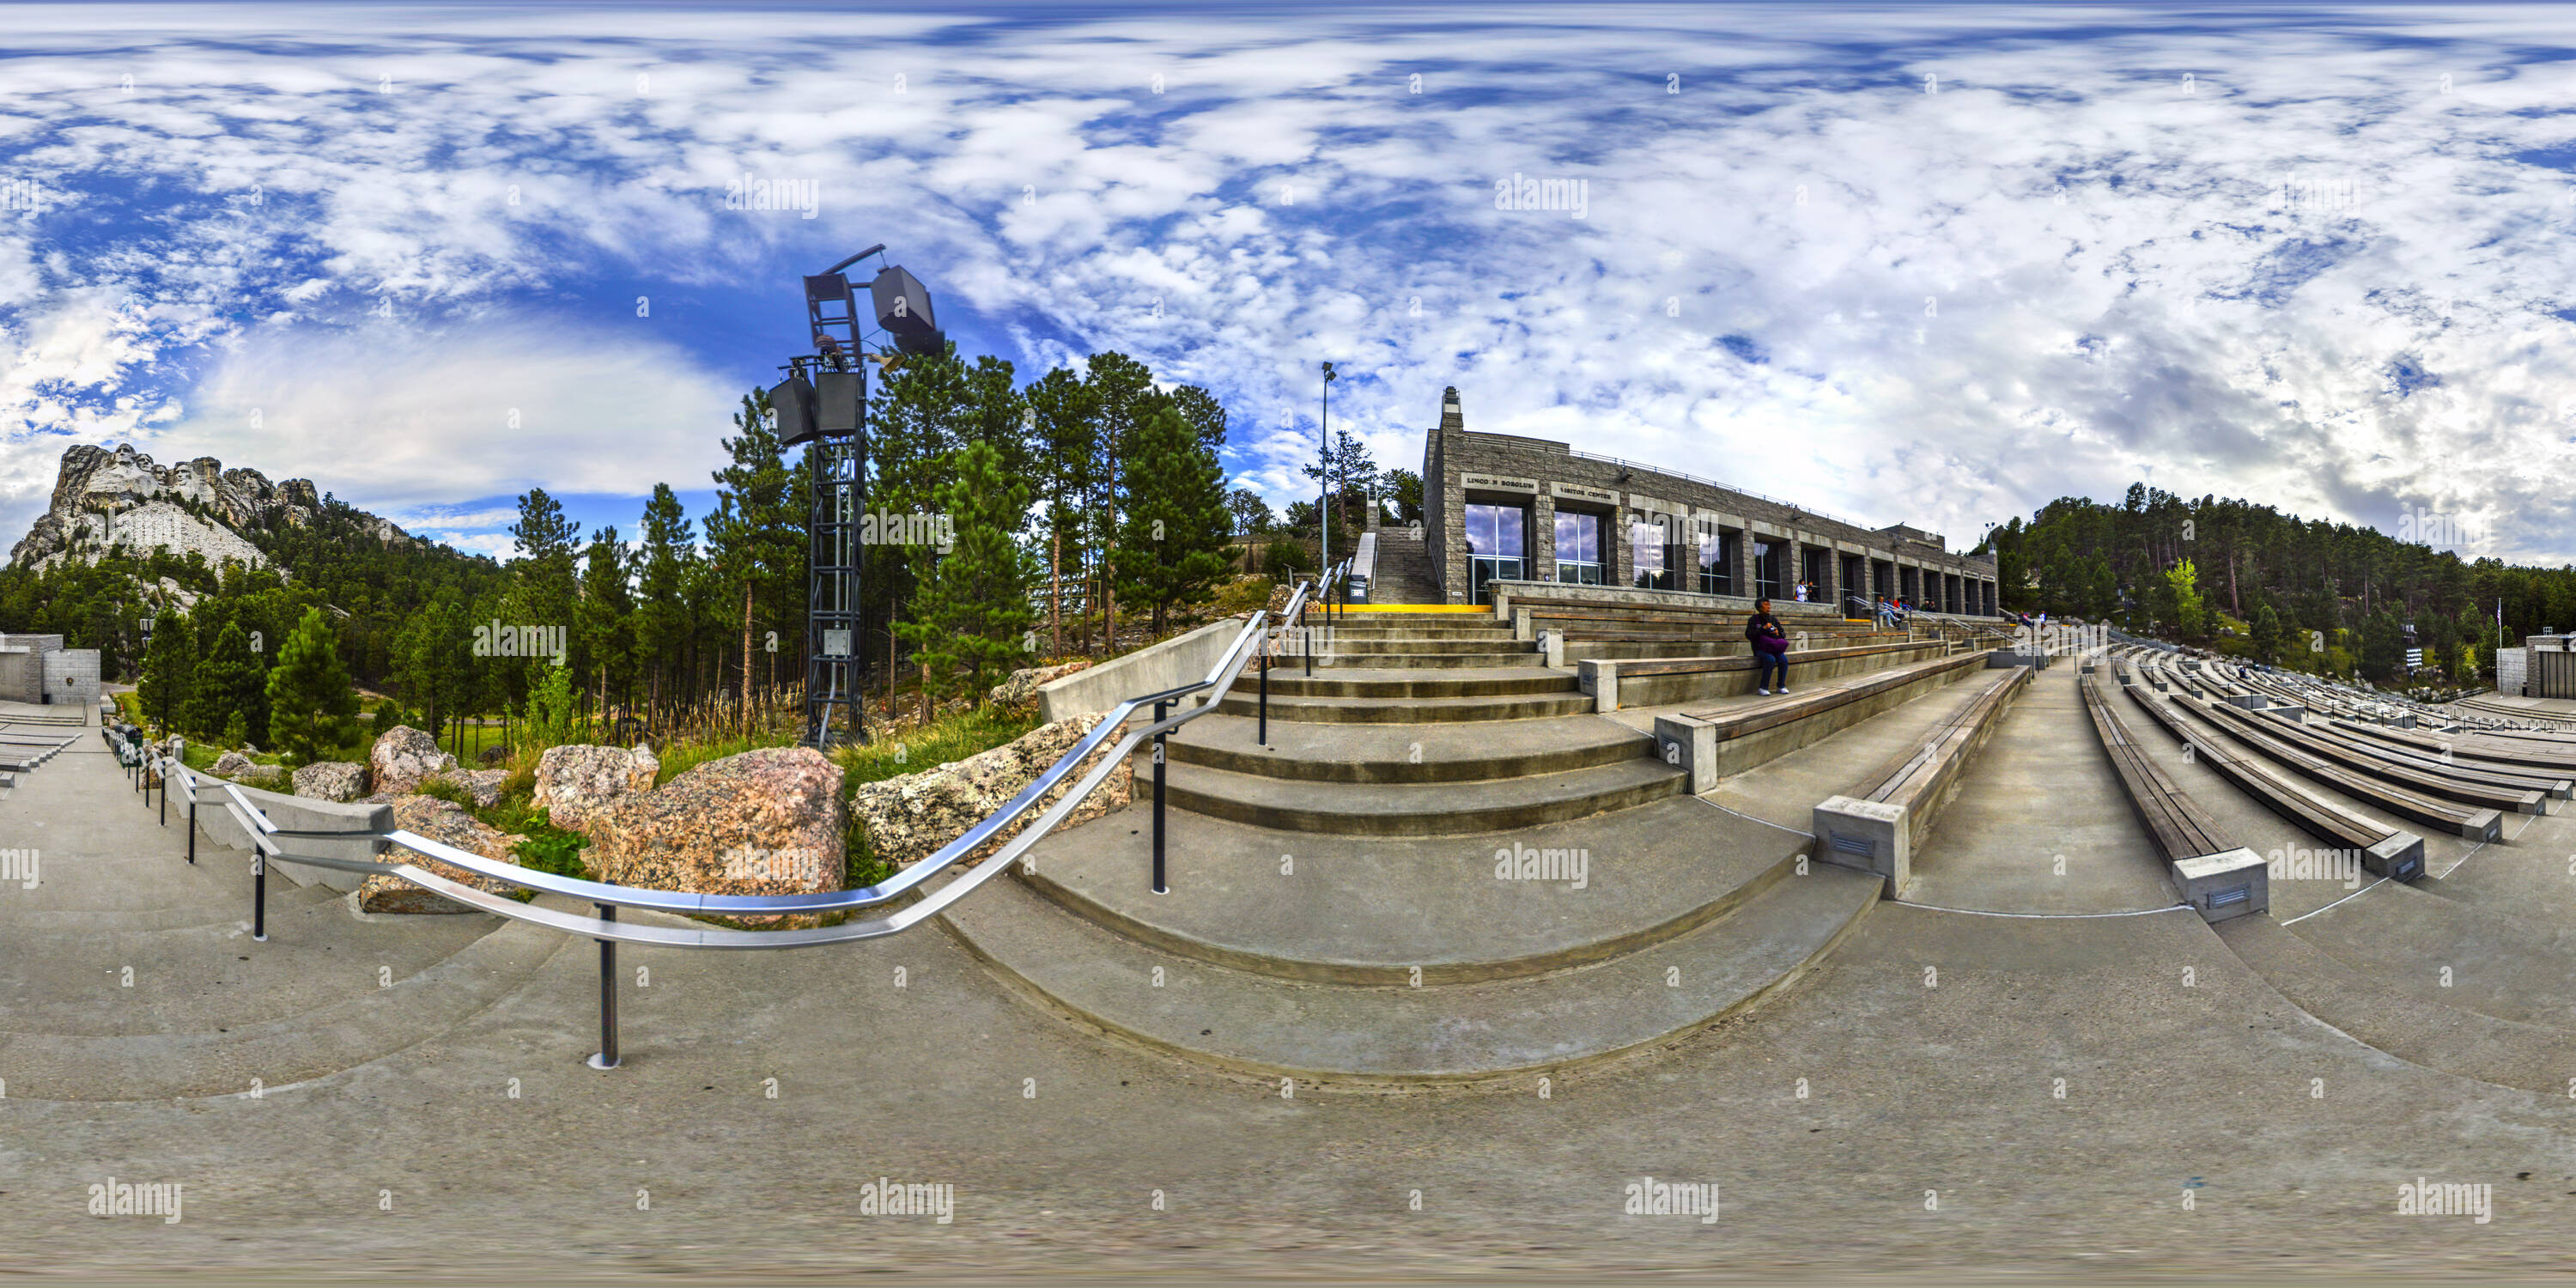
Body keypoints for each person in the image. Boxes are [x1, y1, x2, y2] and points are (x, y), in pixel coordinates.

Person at [1747, 598, 1790, 696]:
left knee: (1783, 660)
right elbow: (1749, 635)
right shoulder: (1753, 620)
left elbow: (1783, 634)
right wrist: (1763, 629)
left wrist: (1778, 633)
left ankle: (1781, 686)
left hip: (1773, 648)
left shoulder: (1773, 619)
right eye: (1766, 605)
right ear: (1759, 607)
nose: (1768, 607)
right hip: (1760, 648)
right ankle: (1763, 687)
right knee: (1770, 659)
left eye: (1769, 605)